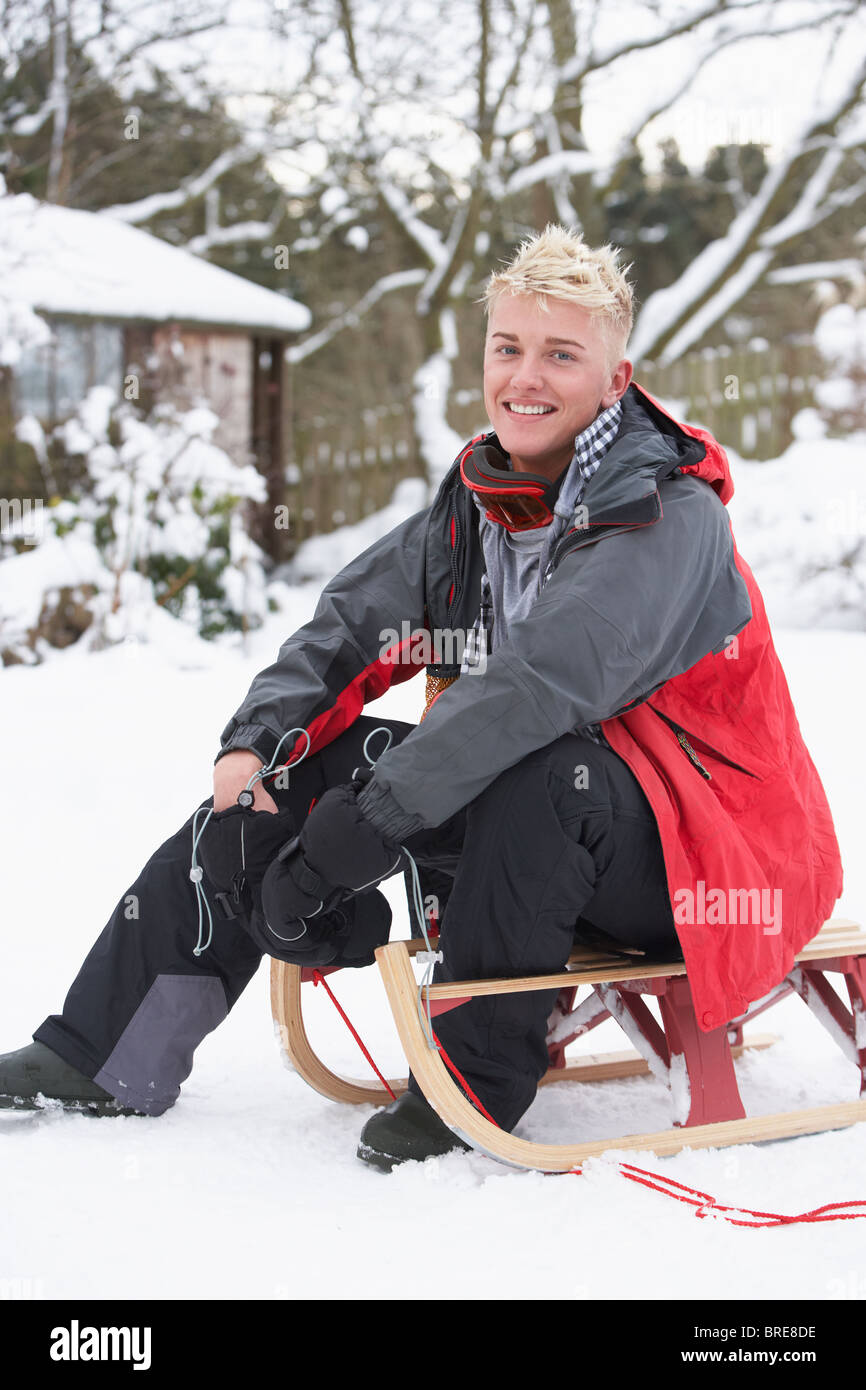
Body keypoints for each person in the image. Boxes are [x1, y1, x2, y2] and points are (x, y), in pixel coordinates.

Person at [0, 225, 842, 1171]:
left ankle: (471, 1084)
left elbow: (542, 683)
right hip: (550, 838)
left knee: (540, 773)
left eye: (562, 354)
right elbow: (352, 629)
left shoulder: (666, 512)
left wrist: (365, 828)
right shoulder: (479, 505)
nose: (526, 376)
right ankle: (106, 1053)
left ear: (616, 379)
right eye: (508, 348)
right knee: (298, 775)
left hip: (709, 860)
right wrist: (257, 751)